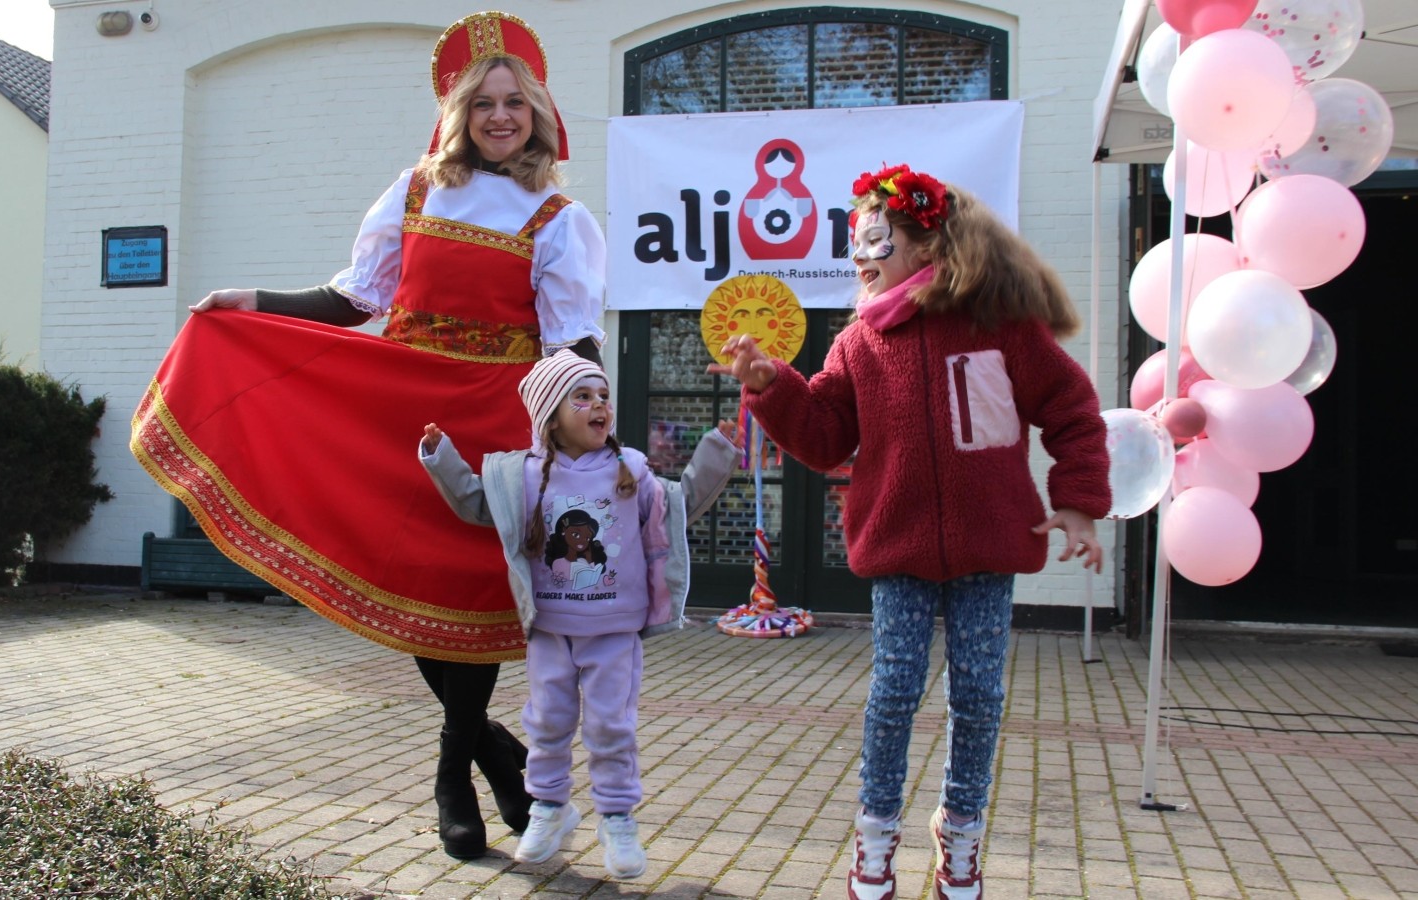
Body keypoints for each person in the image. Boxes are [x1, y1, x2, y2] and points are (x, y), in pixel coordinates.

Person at [128, 11, 605, 861]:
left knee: (466, 596)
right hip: (405, 413)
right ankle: (493, 755)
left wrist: (596, 441)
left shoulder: (559, 216)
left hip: (499, 424)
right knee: (414, 589)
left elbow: (573, 345)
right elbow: (353, 300)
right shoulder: (418, 188)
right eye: (485, 102)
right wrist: (257, 304)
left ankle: (453, 772)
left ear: (537, 114)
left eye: (516, 104)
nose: (501, 117)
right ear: (460, 112)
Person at [708, 162, 1110, 900]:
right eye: (856, 242)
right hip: (898, 548)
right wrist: (772, 386)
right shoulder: (860, 343)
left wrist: (1079, 499)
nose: (862, 254)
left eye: (877, 239)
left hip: (990, 546)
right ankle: (876, 835)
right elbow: (827, 434)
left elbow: (1072, 410)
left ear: (928, 245)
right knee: (893, 693)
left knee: (979, 696)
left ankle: (961, 833)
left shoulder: (1001, 327)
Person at [417, 350, 737, 879]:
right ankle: (549, 808)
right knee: (546, 725)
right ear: (550, 415)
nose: (599, 406)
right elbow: (479, 504)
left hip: (614, 631)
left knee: (612, 727)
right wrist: (441, 456)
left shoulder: (628, 468)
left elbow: (678, 507)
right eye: (582, 397)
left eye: (603, 397)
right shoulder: (523, 474)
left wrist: (717, 450)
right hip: (550, 630)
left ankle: (617, 819)